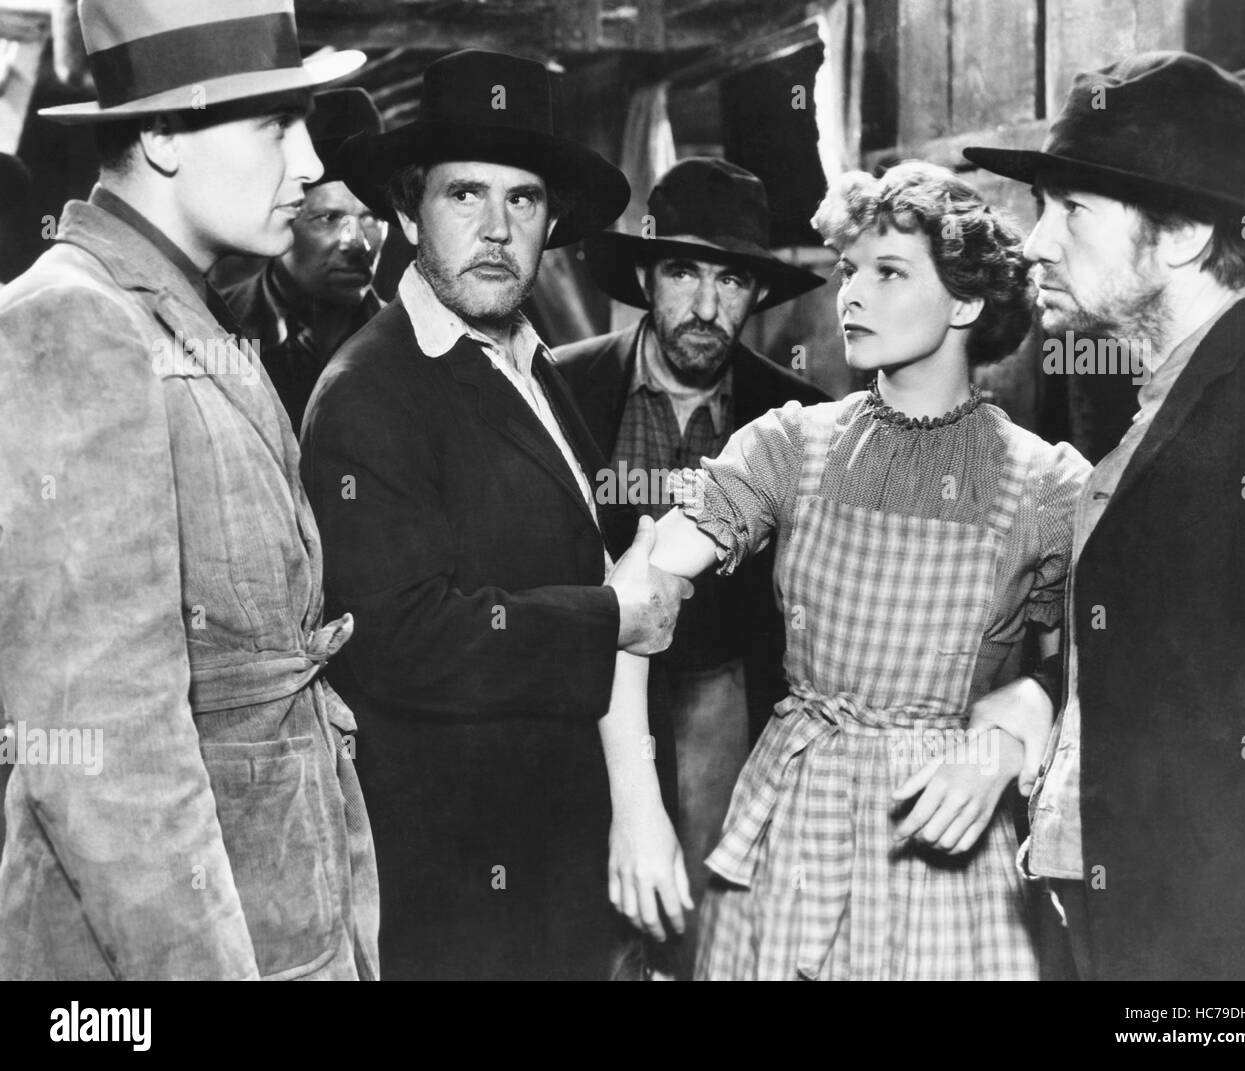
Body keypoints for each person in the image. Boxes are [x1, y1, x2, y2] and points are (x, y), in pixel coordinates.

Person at [603, 160, 1092, 980]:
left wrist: (1010, 735)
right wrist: (637, 803)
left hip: (945, 850)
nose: (851, 297)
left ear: (966, 301)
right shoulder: (791, 443)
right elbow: (631, 593)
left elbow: (1112, 662)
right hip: (790, 829)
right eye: (848, 271)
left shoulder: (1047, 484)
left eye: (889, 272)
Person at [0, 0, 377, 979]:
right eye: (271, 126)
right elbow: (103, 755)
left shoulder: (185, 310)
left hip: (277, 906)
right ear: (163, 135)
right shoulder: (72, 322)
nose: (307, 165)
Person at [300, 49, 694, 981]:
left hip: (557, 850)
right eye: (463, 194)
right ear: (406, 210)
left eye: (521, 201)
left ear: (550, 220)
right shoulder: (368, 389)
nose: (493, 229)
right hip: (459, 881)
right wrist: (615, 615)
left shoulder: (522, 354)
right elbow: (397, 637)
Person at [964, 50, 1245, 981]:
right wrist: (1043, 694)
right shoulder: (1157, 391)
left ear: (1187, 230)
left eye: (1072, 209)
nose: (1034, 241)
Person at [554, 157, 827, 973]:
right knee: (580, 924)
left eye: (732, 281)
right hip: (581, 691)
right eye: (683, 272)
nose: (707, 307)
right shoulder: (560, 387)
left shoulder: (799, 418)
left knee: (707, 930)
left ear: (758, 294)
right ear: (646, 274)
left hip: (724, 696)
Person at [222, 88, 386, 435]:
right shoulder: (212, 325)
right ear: (284, 216)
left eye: (371, 217)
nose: (356, 243)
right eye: (329, 217)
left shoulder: (419, 341)